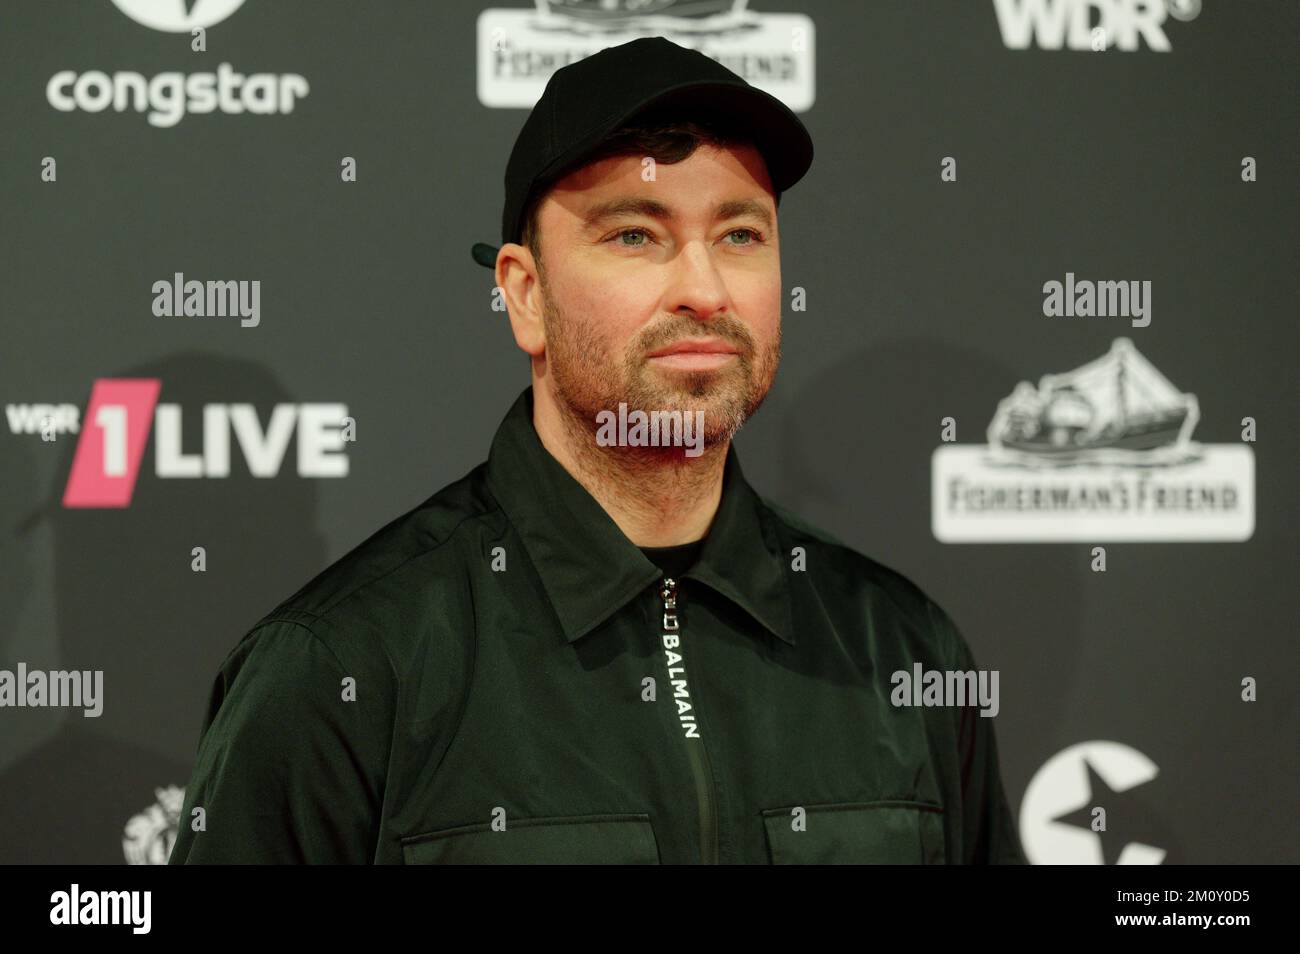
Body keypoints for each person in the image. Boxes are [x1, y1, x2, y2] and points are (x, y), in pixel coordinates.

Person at [170, 36, 1025, 864]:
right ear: (526, 296)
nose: (704, 289)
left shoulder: (903, 650)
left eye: (740, 235)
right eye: (635, 236)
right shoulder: (344, 667)